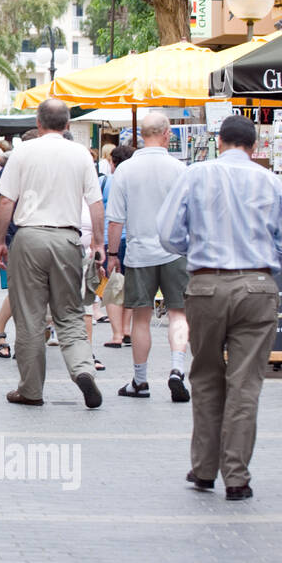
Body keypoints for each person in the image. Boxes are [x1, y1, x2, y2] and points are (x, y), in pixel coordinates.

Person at [157, 115, 282, 501]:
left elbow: (168, 233)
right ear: (254, 146)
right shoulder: (270, 182)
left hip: (205, 285)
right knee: (245, 383)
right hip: (257, 286)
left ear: (219, 141)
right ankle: (236, 477)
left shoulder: (195, 175)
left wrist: (200, 248)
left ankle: (204, 469)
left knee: (204, 376)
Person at [0, 99, 105, 409]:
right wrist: (98, 244)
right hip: (68, 239)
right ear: (68, 124)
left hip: (29, 237)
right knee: (69, 314)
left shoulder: (24, 152)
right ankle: (83, 369)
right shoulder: (81, 154)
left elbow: (4, 201)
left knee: (30, 316)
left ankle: (30, 389)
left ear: (38, 124)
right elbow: (95, 203)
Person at [106, 111, 190, 401]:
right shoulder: (180, 169)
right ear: (167, 133)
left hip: (140, 252)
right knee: (178, 313)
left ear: (141, 135)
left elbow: (115, 220)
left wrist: (113, 253)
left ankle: (140, 381)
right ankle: (177, 369)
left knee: (141, 318)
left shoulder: (126, 170)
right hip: (176, 251)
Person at [0, 129, 42, 360]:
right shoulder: (12, 169)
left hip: (36, 235)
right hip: (16, 235)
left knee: (32, 290)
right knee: (21, 290)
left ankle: (18, 336)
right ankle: (1, 330)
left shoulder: (42, 168)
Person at [101, 144, 135, 348]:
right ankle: (127, 329)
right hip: (131, 238)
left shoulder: (104, 181)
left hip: (109, 238)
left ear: (113, 163)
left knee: (111, 286)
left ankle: (116, 335)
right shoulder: (134, 181)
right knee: (130, 285)